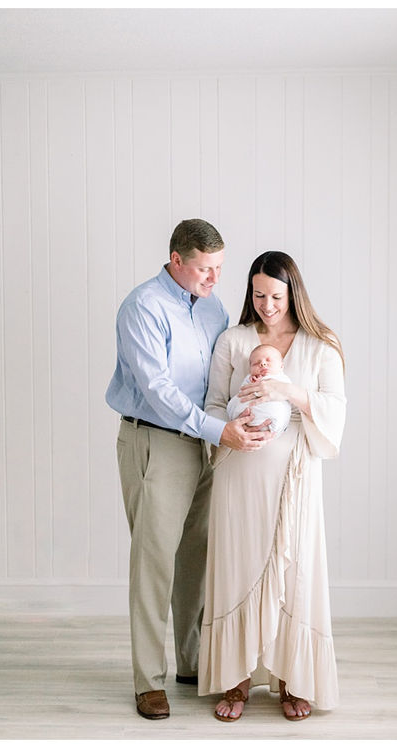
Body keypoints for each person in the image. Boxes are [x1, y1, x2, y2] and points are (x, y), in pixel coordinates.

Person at [106, 218, 274, 719]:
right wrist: (218, 430)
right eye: (205, 269)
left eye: (219, 268)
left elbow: (220, 376)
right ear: (176, 260)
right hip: (155, 441)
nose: (214, 278)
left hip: (205, 443)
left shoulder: (214, 308)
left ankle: (190, 663)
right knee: (154, 562)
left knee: (195, 559)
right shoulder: (143, 307)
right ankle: (148, 681)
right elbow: (157, 390)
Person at [198, 250, 346, 722]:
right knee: (238, 566)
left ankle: (292, 680)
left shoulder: (320, 346)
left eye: (276, 296)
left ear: (293, 293)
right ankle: (236, 679)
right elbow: (213, 404)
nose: (267, 305)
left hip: (294, 477)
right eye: (259, 295)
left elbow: (335, 410)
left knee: (295, 572)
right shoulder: (233, 340)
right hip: (240, 473)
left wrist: (286, 391)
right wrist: (232, 431)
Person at [226, 344, 293, 435]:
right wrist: (252, 382)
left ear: (281, 366)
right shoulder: (250, 378)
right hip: (246, 417)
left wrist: (264, 381)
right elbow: (243, 391)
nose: (262, 364)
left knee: (280, 410)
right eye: (256, 363)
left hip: (272, 416)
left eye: (268, 360)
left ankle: (269, 428)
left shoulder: (281, 378)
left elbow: (288, 393)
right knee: (235, 402)